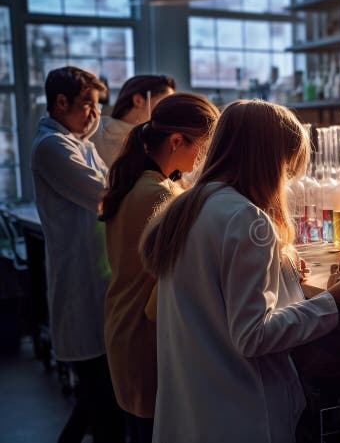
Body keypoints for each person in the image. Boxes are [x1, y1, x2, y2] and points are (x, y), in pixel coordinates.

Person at [139, 100, 340, 443]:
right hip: (240, 412)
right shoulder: (246, 218)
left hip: (197, 408)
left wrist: (280, 271)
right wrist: (336, 294)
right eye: (287, 169)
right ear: (269, 161)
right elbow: (253, 335)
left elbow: (213, 290)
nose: (286, 182)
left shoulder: (188, 205)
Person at [99, 93, 220, 443]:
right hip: (144, 334)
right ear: (177, 141)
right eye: (205, 146)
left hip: (125, 326)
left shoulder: (145, 183)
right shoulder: (158, 197)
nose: (205, 157)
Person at [30, 66, 125, 443]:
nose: (95, 115)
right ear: (60, 102)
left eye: (99, 106)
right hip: (79, 285)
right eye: (89, 105)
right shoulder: (51, 147)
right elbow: (105, 196)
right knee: (100, 401)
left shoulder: (78, 144)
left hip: (95, 279)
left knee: (97, 398)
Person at [91, 75, 176, 166]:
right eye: (165, 103)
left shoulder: (159, 144)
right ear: (138, 100)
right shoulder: (94, 130)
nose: (170, 112)